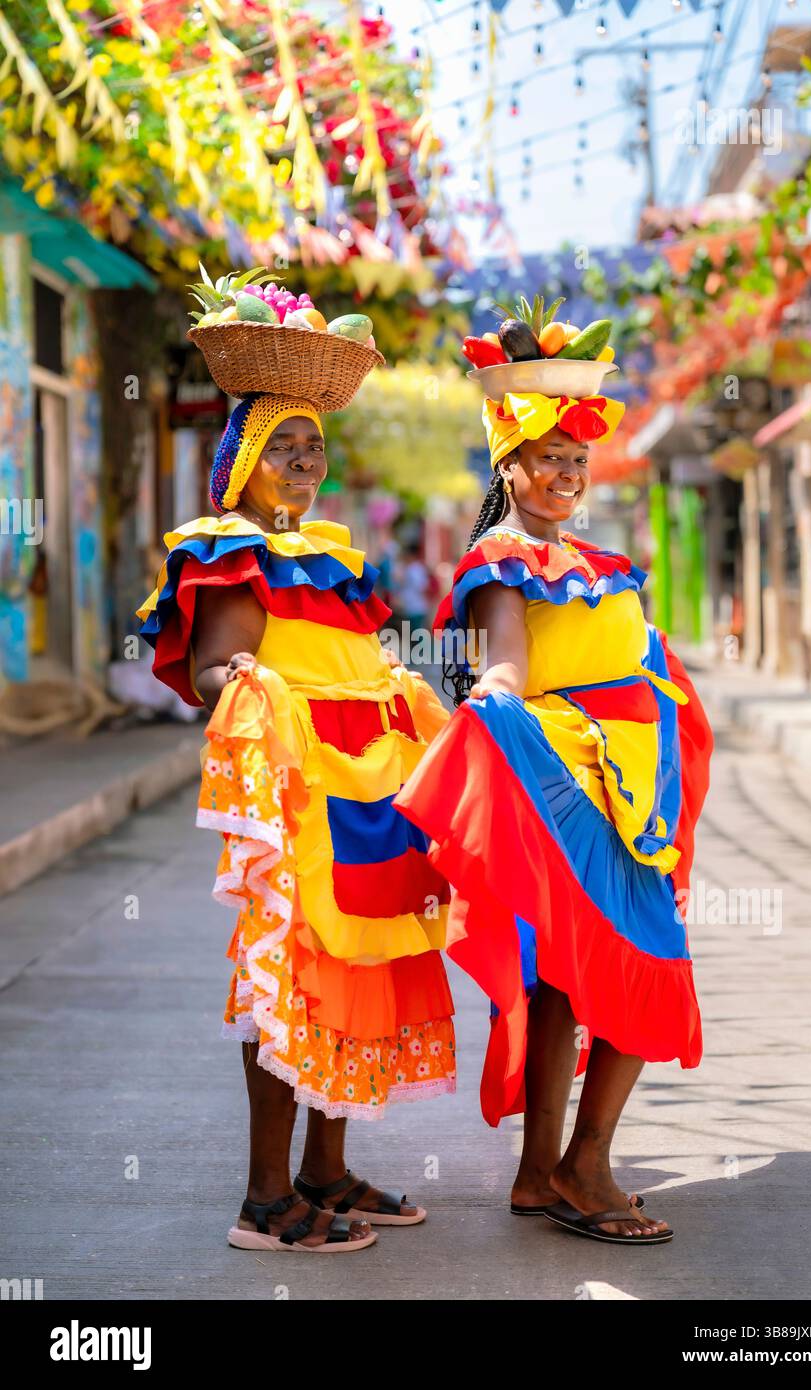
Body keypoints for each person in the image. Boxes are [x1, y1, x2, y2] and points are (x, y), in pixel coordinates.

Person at [138, 352, 456, 1254]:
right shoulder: (229, 548)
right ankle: (266, 1201)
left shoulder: (326, 556)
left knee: (353, 970)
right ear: (242, 461)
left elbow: (342, 663)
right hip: (293, 798)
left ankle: (324, 1172)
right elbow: (211, 674)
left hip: (362, 790)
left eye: (314, 445)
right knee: (291, 982)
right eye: (283, 445)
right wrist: (245, 681)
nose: (305, 462)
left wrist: (391, 688)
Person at [396, 343, 713, 1246]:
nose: (567, 474)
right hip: (570, 786)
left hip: (629, 789)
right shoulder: (504, 560)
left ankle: (544, 1174)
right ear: (512, 463)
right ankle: (582, 1168)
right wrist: (488, 708)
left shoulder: (596, 558)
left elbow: (635, 656)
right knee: (639, 967)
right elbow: (506, 668)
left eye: (577, 459)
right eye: (549, 459)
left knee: (567, 987)